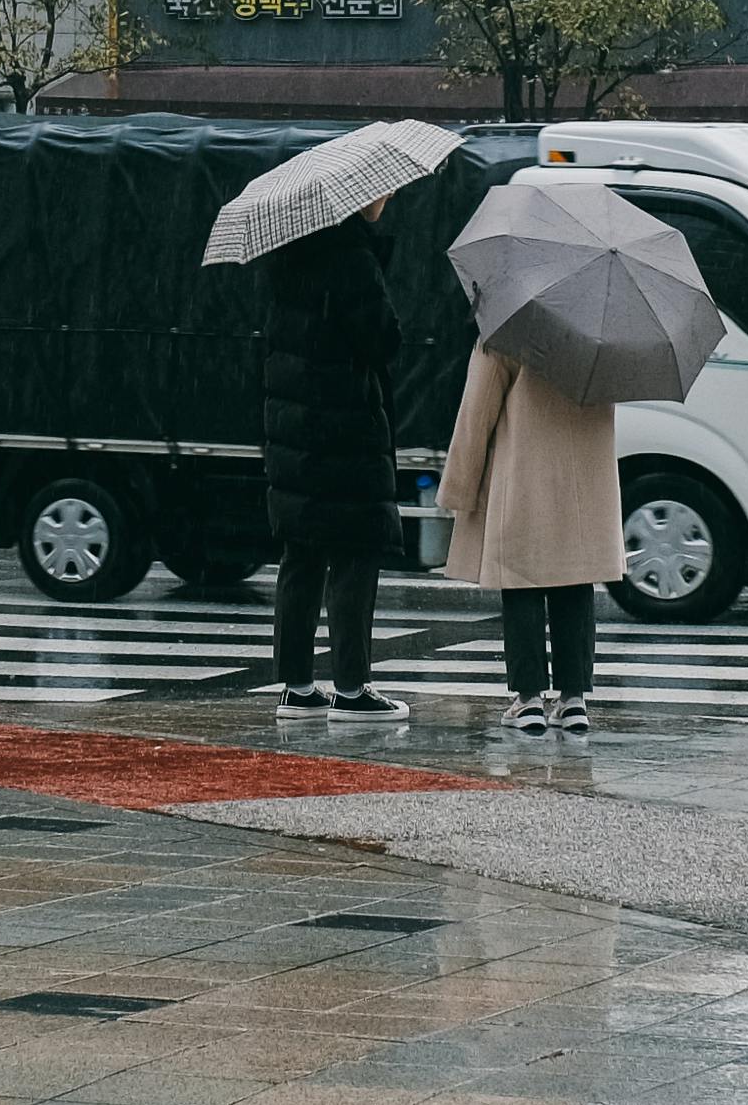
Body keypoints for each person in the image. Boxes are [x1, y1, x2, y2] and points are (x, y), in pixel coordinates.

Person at [258, 198, 407, 718]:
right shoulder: (351, 256)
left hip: (293, 430)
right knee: (355, 552)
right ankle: (351, 686)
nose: (385, 202)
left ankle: (296, 686)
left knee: (301, 554)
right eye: (381, 196)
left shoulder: (286, 256)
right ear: (359, 199)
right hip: (345, 428)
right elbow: (382, 338)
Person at [440, 335, 619, 733]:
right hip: (583, 481)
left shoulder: (508, 329)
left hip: (524, 473)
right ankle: (573, 699)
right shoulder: (599, 332)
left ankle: (528, 699)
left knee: (520, 580)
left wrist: (458, 486)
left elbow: (477, 412)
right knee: (574, 582)